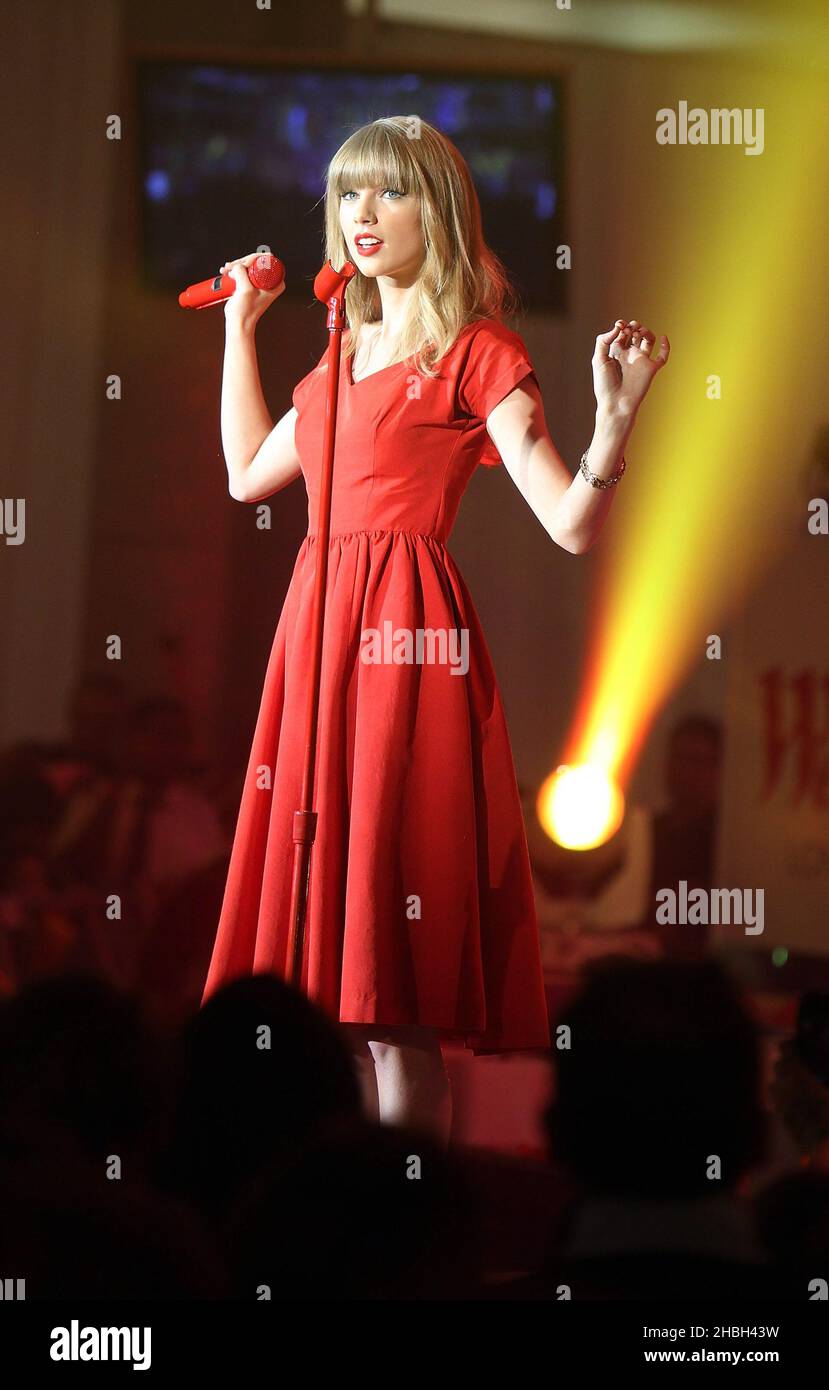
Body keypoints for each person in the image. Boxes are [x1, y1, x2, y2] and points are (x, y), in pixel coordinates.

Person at [201, 115, 670, 1144]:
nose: (363, 216)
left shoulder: (478, 349)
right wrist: (241, 328)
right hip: (316, 635)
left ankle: (409, 1222)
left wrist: (616, 419)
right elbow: (246, 477)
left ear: (439, 209)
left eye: (390, 192)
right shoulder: (339, 348)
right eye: (348, 195)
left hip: (401, 644)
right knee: (320, 985)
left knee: (388, 993)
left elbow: (570, 525)